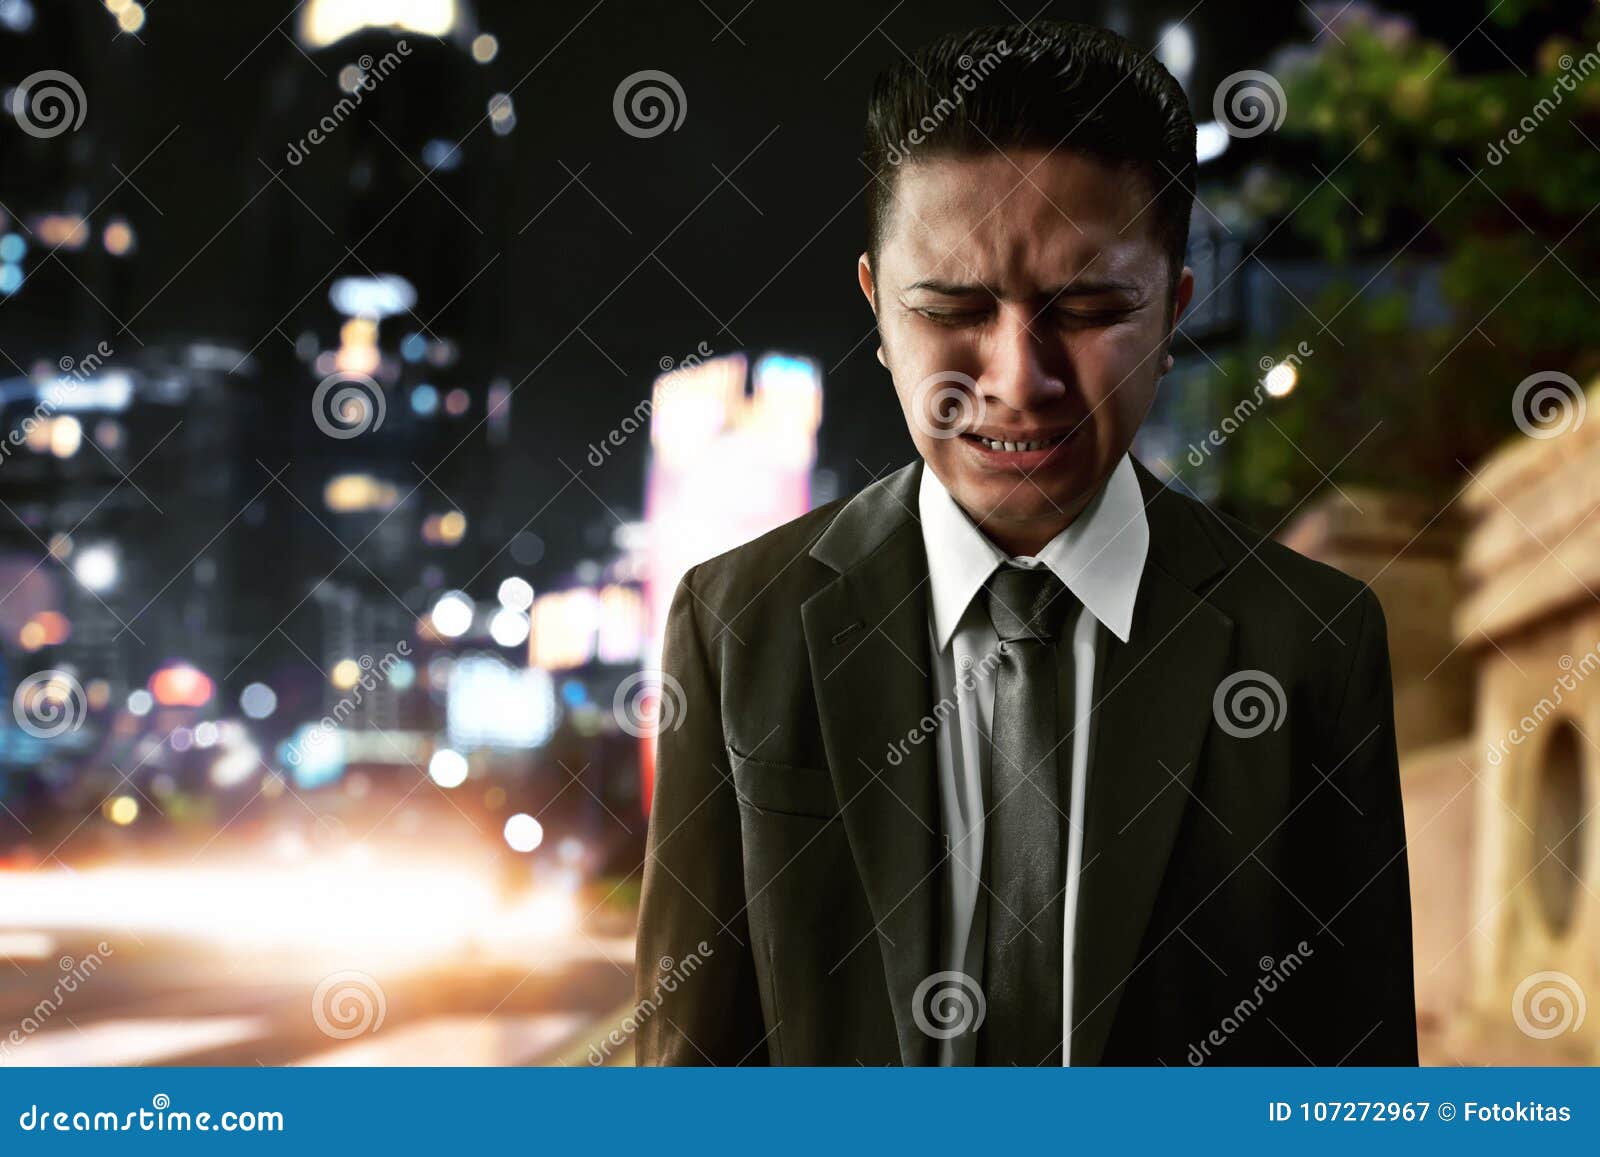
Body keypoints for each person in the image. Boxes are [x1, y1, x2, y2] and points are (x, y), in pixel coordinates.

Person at [635, 19, 1417, 1066]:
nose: (1016, 377)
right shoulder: (736, 621)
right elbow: (688, 1066)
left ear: (1174, 308)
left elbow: (1358, 1077)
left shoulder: (1312, 640)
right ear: (877, 306)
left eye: (1090, 308)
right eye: (951, 307)